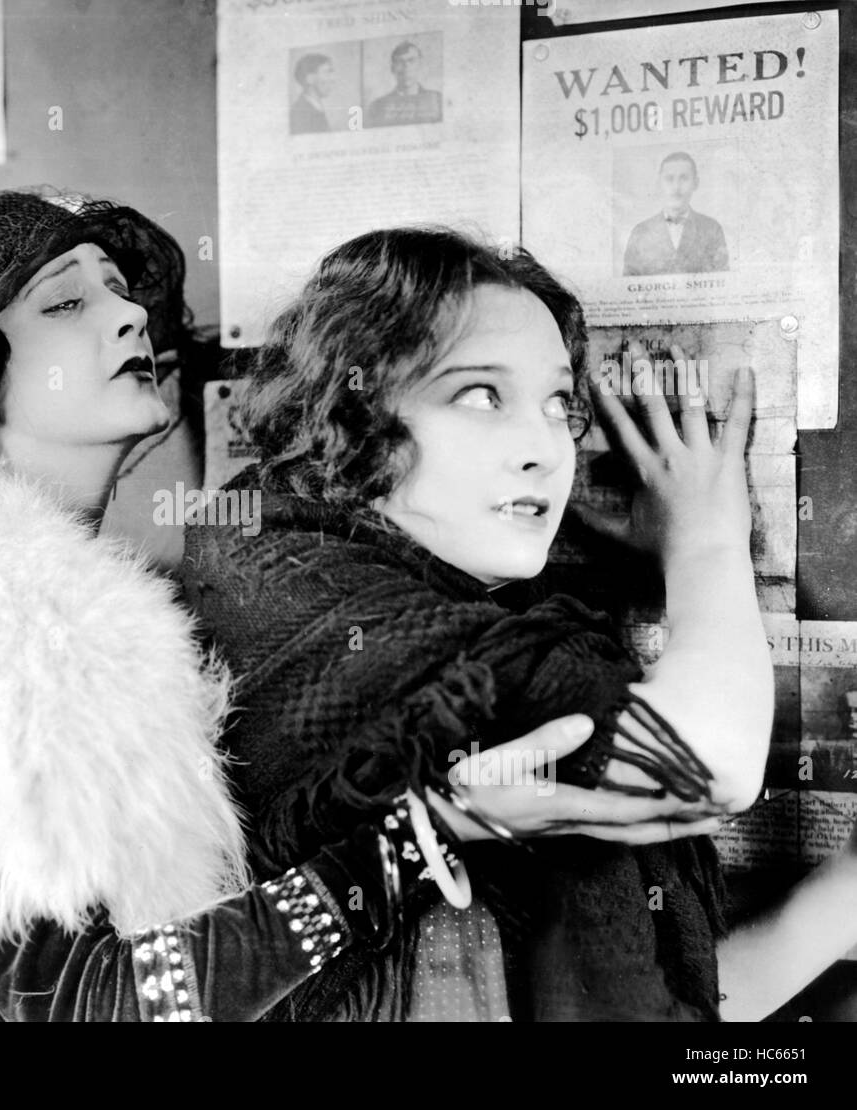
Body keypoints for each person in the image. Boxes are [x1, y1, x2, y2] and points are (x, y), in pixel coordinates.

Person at [0, 190, 589, 1022]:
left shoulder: (95, 613)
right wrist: (418, 839)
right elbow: (98, 1007)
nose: (127, 317)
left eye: (121, 291)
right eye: (68, 301)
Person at [177, 226, 781, 1021]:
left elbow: (628, 996)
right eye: (479, 395)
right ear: (353, 412)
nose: (543, 448)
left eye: (558, 402)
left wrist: (833, 907)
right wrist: (704, 541)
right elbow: (708, 765)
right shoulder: (298, 595)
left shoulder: (444, 595)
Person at [622, 151, 729, 276]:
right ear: (659, 184)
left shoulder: (711, 229)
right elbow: (628, 287)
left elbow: (723, 282)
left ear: (696, 183)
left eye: (684, 178)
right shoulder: (641, 232)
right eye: (669, 179)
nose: (676, 187)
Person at [366, 41, 442, 129]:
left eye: (411, 60)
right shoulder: (378, 106)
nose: (406, 66)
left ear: (420, 65)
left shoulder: (437, 100)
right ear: (393, 68)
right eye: (400, 62)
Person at [291, 53, 334, 134]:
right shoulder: (300, 114)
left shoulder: (315, 107)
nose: (332, 79)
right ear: (310, 79)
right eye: (327, 73)